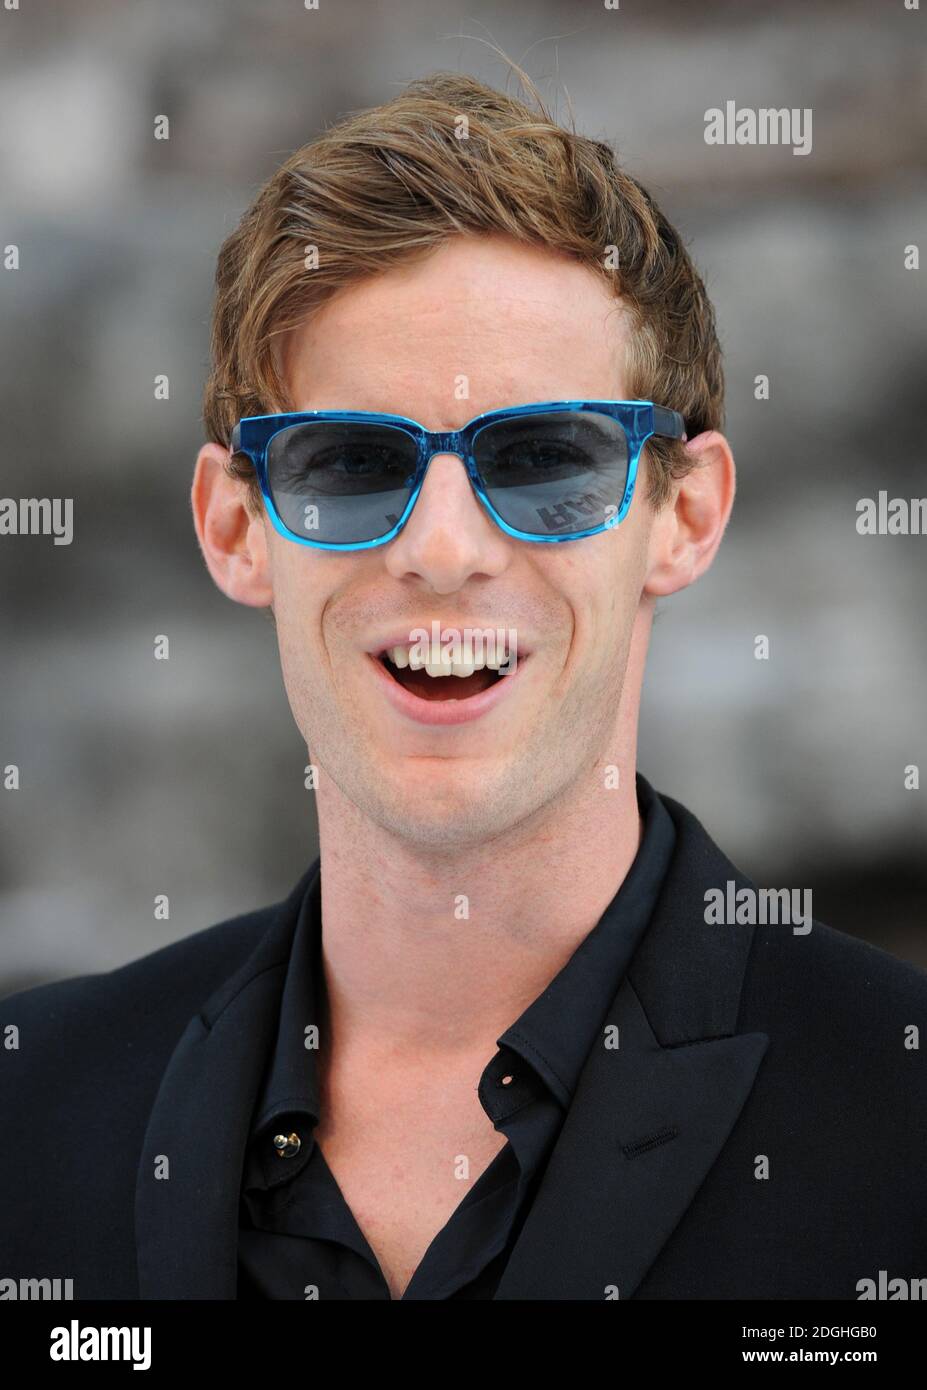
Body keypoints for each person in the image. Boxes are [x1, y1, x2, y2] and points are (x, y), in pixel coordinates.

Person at [2, 68, 925, 1303]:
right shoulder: (30, 1112)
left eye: (546, 457)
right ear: (236, 529)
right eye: (352, 461)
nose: (443, 546)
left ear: (685, 515)